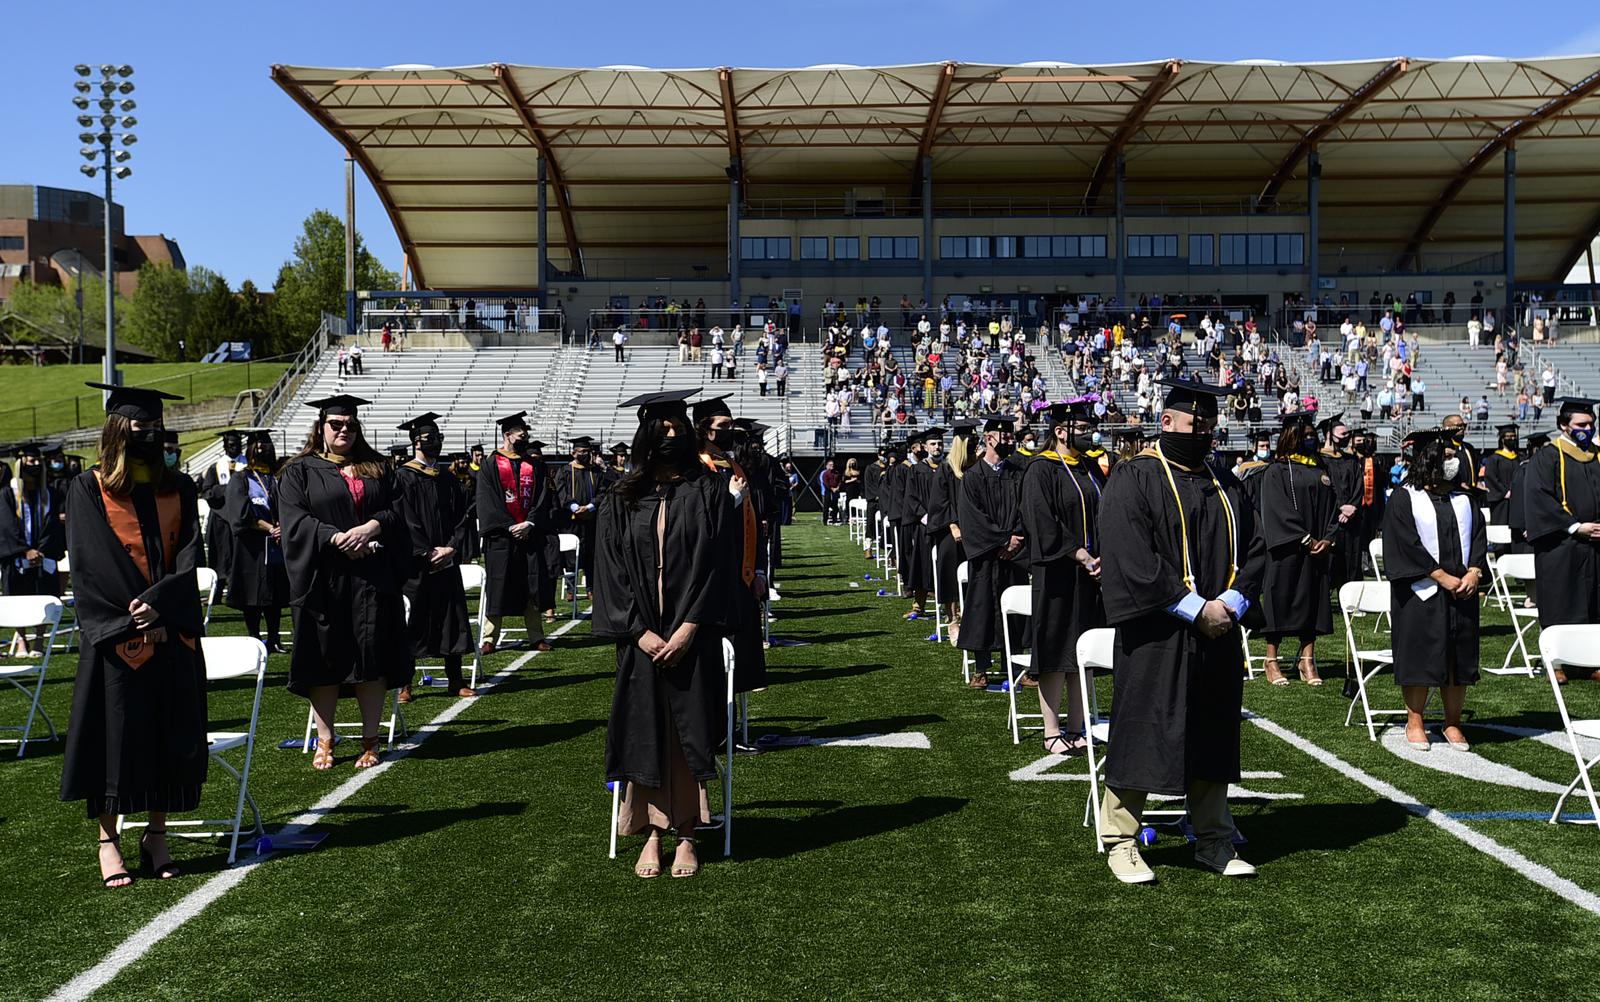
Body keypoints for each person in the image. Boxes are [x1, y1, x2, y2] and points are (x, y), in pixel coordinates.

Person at [1095, 377, 1266, 883]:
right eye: (1196, 424)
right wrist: (1195, 608)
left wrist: (1231, 605)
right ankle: (1121, 840)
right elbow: (1132, 558)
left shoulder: (1226, 482)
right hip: (1157, 634)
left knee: (1213, 732)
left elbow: (1254, 550)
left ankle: (1212, 836)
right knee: (1144, 729)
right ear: (1166, 422)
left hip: (1219, 633)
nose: (1204, 433)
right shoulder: (1135, 478)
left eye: (1210, 426)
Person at [60, 383, 208, 888]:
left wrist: (164, 607)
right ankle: (109, 840)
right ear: (117, 431)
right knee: (114, 738)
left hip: (170, 633)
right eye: (138, 428)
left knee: (170, 733)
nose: (148, 436)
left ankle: (156, 835)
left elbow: (191, 553)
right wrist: (132, 618)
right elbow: (90, 563)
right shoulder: (88, 487)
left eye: (154, 429)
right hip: (117, 639)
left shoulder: (180, 487)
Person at [596, 389, 736, 879]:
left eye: (679, 428)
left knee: (687, 733)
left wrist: (689, 627)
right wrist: (639, 632)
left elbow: (720, 567)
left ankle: (688, 835)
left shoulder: (709, 491)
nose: (671, 436)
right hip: (641, 641)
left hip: (690, 637)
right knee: (645, 730)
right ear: (646, 435)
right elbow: (609, 571)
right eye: (663, 429)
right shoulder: (621, 496)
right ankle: (650, 832)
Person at [280, 394, 413, 770]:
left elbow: (398, 511)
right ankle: (326, 739)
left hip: (372, 576)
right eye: (336, 425)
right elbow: (294, 519)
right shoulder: (300, 470)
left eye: (350, 425)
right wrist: (337, 538)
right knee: (325, 658)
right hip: (324, 578)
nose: (344, 431)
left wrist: (373, 526)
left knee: (371, 656)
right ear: (321, 427)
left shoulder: (378, 468)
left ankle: (371, 740)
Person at [1382, 430, 1487, 749]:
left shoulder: (1464, 500)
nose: (1453, 461)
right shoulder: (1405, 497)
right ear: (1429, 461)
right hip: (1421, 593)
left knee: (1459, 659)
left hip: (1462, 593)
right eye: (1446, 456)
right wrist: (1441, 576)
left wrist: (1474, 571)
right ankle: (1415, 721)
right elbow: (1404, 544)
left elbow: (1479, 540)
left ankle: (1452, 723)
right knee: (1420, 655)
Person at [1020, 401, 1105, 755]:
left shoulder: (1088, 469)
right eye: (1081, 428)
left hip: (1090, 575)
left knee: (1082, 650)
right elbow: (1042, 521)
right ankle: (1051, 730)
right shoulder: (1041, 469)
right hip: (1056, 572)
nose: (1088, 434)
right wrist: (1080, 553)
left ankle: (1076, 725)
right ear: (1060, 431)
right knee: (1056, 649)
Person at [393, 412, 476, 700]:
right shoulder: (403, 477)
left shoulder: (448, 479)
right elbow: (405, 519)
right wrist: (427, 552)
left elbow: (463, 516)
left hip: (447, 560)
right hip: (415, 564)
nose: (435, 443)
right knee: (412, 619)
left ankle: (456, 679)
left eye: (438, 438)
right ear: (415, 442)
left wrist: (452, 547)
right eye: (429, 439)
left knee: (451, 619)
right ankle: (405, 682)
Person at [694, 395, 768, 700]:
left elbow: (753, 521)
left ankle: (735, 726)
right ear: (706, 430)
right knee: (715, 660)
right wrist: (731, 499)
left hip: (741, 572)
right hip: (712, 574)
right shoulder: (696, 468)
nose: (729, 430)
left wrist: (760, 568)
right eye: (723, 425)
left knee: (740, 659)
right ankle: (719, 732)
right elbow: (699, 522)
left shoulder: (734, 465)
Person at [1256, 413, 1337, 686]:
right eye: (1307, 435)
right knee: (1279, 599)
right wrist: (1305, 539)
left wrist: (1328, 537)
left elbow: (1333, 509)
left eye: (1313, 435)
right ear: (1293, 437)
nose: (1312, 439)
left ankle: (1307, 659)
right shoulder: (1277, 470)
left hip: (1318, 549)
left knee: (1313, 600)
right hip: (1287, 549)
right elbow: (1275, 509)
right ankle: (1271, 660)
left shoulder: (1320, 469)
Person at [1523, 397, 1600, 682]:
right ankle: (1555, 663)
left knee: (1594, 602)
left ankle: (1591, 661)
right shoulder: (1548, 456)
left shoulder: (1597, 455)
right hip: (1561, 544)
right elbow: (1540, 497)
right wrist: (1575, 526)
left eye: (1591, 424)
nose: (1587, 429)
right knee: (1561, 599)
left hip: (1595, 545)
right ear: (1563, 426)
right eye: (1581, 424)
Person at [956, 416, 1030, 689]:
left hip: (1014, 557)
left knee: (1017, 614)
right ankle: (981, 669)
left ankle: (1015, 667)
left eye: (1012, 437)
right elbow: (972, 518)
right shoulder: (973, 477)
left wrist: (1016, 540)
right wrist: (1001, 541)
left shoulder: (1018, 474)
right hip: (986, 558)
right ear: (989, 439)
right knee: (983, 611)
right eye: (1005, 437)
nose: (1011, 441)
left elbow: (1026, 510)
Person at [475, 412, 557, 655]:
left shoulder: (534, 465)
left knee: (532, 583)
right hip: (502, 536)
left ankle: (536, 636)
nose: (525, 437)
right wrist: (510, 525)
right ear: (507, 435)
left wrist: (530, 523)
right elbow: (486, 499)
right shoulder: (490, 464)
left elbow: (543, 498)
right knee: (497, 586)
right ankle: (489, 637)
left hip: (529, 536)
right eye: (521, 433)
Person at [223, 430, 288, 654]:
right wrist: (269, 527)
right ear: (249, 450)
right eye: (257, 445)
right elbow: (239, 515)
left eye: (266, 445)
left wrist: (282, 527)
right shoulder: (240, 479)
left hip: (275, 545)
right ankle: (254, 638)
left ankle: (274, 638)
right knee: (253, 596)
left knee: (275, 595)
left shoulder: (275, 478)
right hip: (250, 548)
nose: (262, 449)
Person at [1, 441, 66, 656]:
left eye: (38, 460)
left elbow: (52, 526)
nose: (36, 464)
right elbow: (7, 525)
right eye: (31, 460)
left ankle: (39, 640)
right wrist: (24, 551)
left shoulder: (49, 493)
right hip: (17, 557)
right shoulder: (7, 493)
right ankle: (21, 640)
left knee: (44, 596)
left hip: (43, 556)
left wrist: (41, 551)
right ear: (21, 463)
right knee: (18, 598)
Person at [927, 421, 975, 641]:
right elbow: (939, 503)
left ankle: (970, 614)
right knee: (949, 565)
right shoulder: (946, 469)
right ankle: (952, 617)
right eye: (970, 442)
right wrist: (954, 525)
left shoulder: (974, 469)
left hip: (973, 531)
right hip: (950, 531)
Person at [904, 428, 947, 620]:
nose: (937, 447)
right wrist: (924, 515)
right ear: (925, 446)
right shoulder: (917, 470)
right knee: (922, 565)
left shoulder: (948, 467)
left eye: (939, 443)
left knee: (946, 567)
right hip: (926, 525)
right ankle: (918, 605)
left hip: (946, 525)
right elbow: (911, 497)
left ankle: (951, 610)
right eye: (933, 444)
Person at [555, 436, 605, 596]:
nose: (586, 454)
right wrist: (575, 507)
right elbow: (561, 492)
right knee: (570, 556)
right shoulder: (564, 471)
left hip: (591, 520)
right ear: (573, 453)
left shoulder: (595, 472)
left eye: (587, 451)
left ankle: (591, 587)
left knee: (591, 554)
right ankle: (571, 588)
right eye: (582, 451)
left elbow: (602, 492)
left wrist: (590, 507)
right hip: (570, 520)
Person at [198, 430, 244, 588]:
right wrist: (226, 489)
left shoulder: (248, 464)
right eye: (231, 444)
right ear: (224, 446)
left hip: (242, 517)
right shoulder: (215, 467)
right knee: (220, 556)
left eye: (238, 444)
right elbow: (207, 492)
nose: (235, 447)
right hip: (220, 518)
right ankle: (217, 590)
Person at [1481, 423, 1521, 526]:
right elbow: (1491, 478)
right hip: (1501, 502)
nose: (1511, 439)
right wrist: (1505, 492)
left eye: (1513, 436)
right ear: (1502, 439)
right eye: (1508, 436)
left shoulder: (1520, 458)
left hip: (1517, 501)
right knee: (1501, 528)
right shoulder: (1494, 459)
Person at [818, 458, 842, 524]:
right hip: (828, 491)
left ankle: (834, 520)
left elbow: (839, 481)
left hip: (835, 491)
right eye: (830, 464)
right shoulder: (825, 473)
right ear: (827, 466)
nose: (832, 466)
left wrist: (837, 487)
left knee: (835, 507)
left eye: (833, 464)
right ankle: (825, 521)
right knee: (826, 507)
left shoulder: (836, 472)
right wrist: (832, 488)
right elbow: (825, 483)